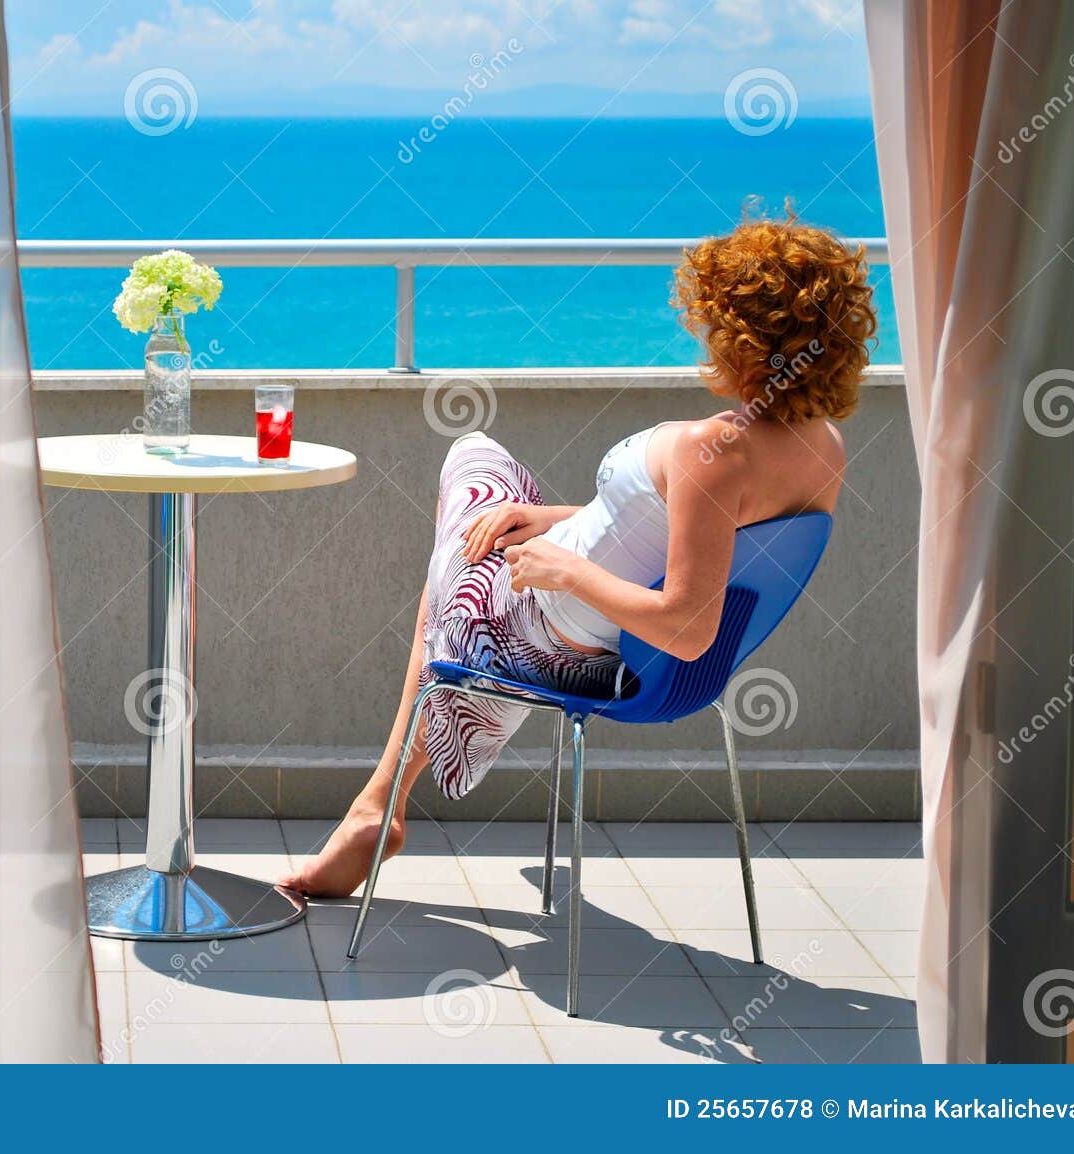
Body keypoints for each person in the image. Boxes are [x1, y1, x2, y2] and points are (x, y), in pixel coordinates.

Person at [280, 213, 877, 897]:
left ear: (743, 337)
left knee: (467, 474)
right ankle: (415, 760)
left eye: (714, 322)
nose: (703, 334)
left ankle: (388, 791)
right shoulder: (821, 447)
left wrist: (564, 568)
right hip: (617, 645)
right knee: (482, 504)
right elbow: (689, 540)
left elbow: (687, 627)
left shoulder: (715, 452)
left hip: (556, 630)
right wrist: (554, 521)